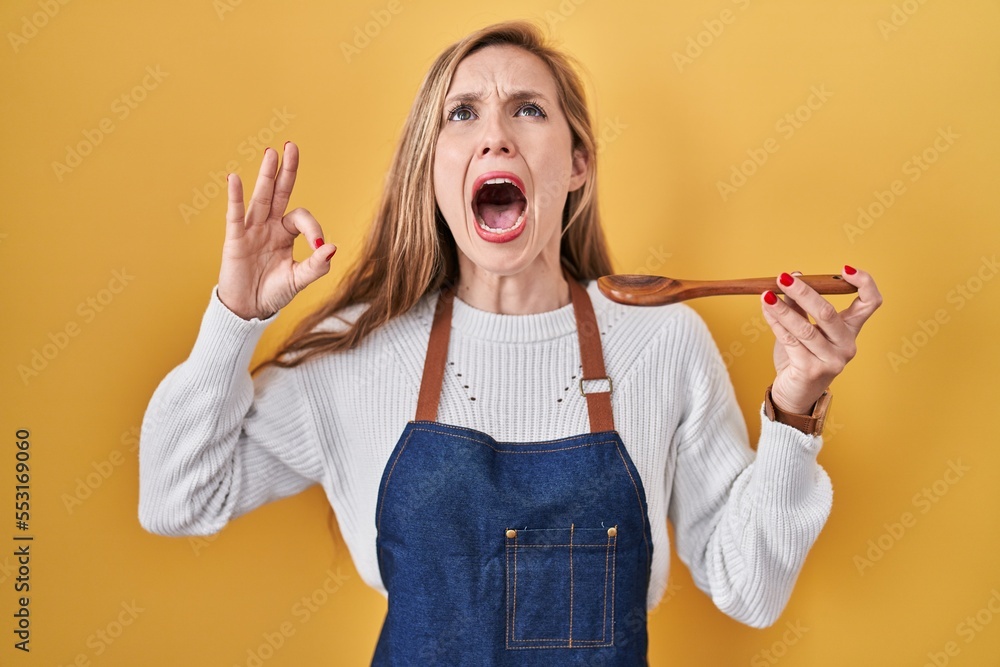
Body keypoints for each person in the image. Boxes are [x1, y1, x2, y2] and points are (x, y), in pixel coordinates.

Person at [139, 20, 882, 665]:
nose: (495, 134)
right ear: (433, 169)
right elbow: (176, 500)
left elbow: (749, 587)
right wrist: (234, 316)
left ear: (578, 163)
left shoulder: (662, 341)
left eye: (528, 109)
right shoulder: (357, 352)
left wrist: (795, 408)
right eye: (462, 113)